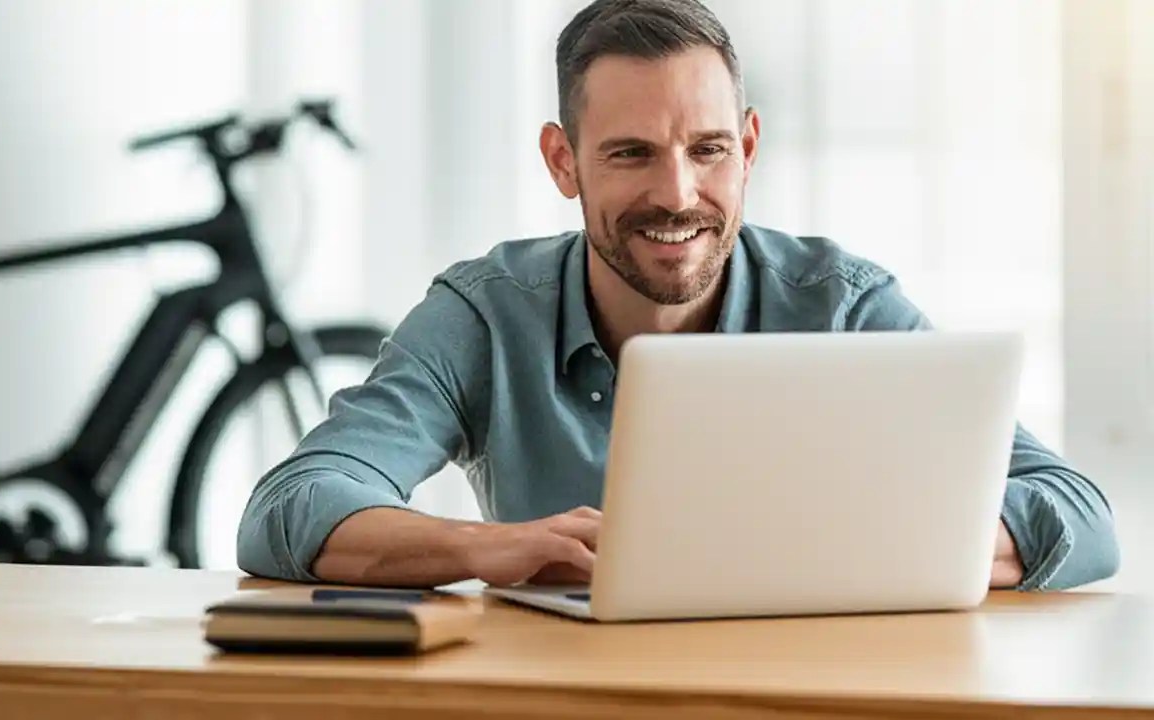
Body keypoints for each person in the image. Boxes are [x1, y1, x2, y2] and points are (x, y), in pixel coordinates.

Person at [237, 0, 1118, 591]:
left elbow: (1080, 517)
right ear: (561, 161)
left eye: (708, 150)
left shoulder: (840, 303)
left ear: (749, 148)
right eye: (631, 154)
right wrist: (484, 547)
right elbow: (293, 505)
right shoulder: (483, 313)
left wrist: (850, 554)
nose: (679, 194)